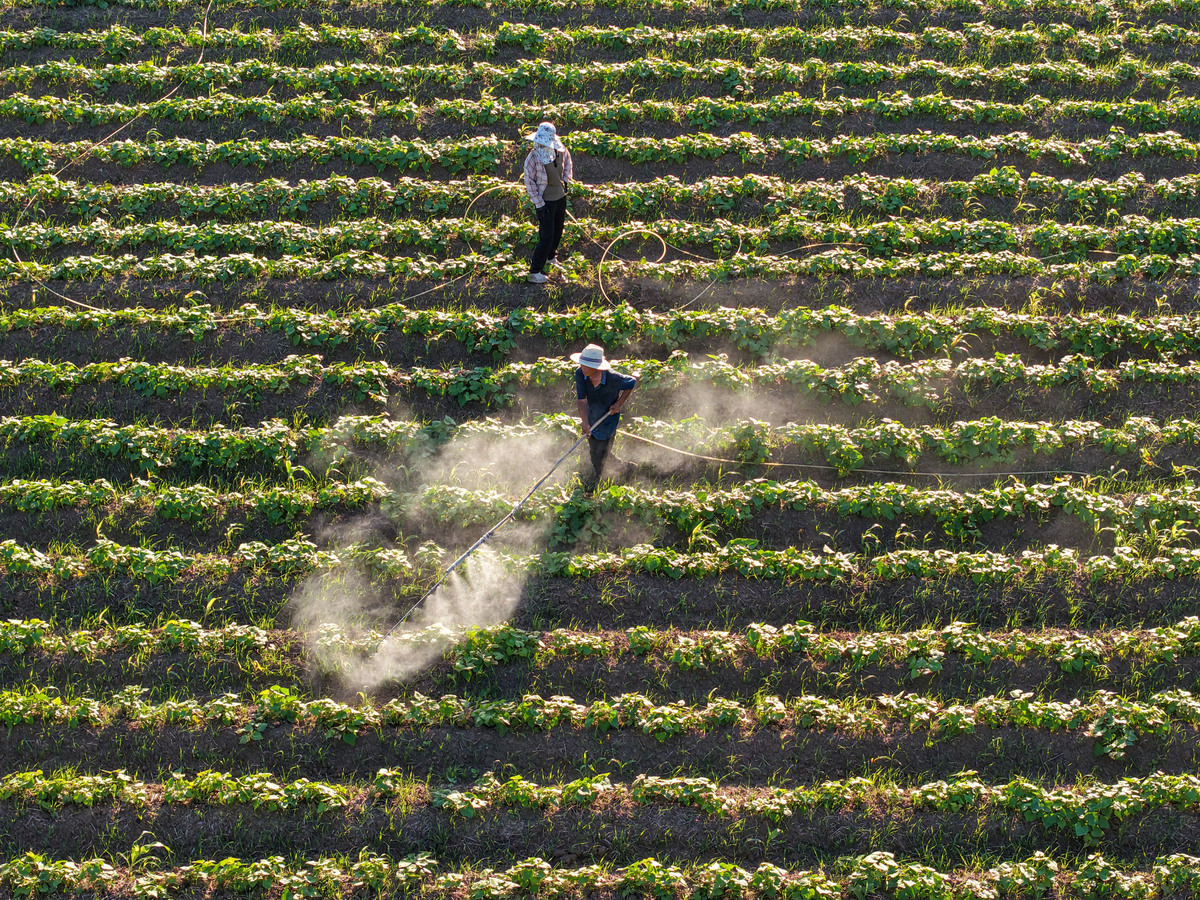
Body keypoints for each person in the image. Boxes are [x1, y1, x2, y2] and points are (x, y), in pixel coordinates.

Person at [572, 343, 637, 492]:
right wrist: (585, 422)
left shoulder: (614, 378)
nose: (582, 367)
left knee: (600, 452)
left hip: (608, 418)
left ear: (597, 367)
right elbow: (581, 400)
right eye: (582, 364)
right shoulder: (580, 374)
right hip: (592, 415)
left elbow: (631, 383)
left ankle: (601, 481)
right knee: (596, 449)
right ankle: (624, 467)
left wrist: (619, 403)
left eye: (586, 365)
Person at [523, 122, 574, 284]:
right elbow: (529, 182)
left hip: (559, 197)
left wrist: (565, 182)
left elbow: (568, 166)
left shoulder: (560, 150)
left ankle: (551, 257)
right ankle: (535, 271)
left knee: (558, 230)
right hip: (545, 201)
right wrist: (539, 203)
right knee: (546, 235)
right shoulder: (533, 157)